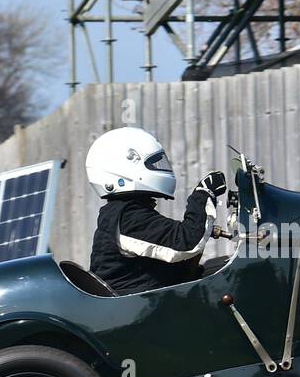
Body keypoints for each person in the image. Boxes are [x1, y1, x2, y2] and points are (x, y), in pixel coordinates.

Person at [86, 126, 227, 294]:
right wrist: (204, 193)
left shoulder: (122, 212)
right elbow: (187, 242)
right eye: (151, 164)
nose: (159, 167)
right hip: (136, 314)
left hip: (143, 308)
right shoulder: (127, 217)